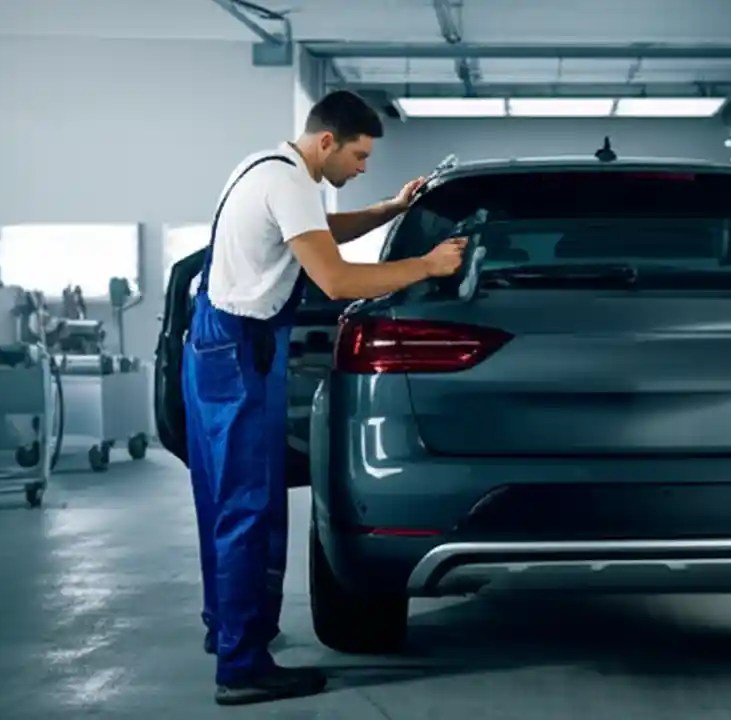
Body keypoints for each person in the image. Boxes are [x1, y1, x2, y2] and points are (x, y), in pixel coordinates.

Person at [182, 89, 466, 706]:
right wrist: (426, 267)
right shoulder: (289, 183)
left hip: (214, 343)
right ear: (327, 141)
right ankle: (241, 668)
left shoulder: (264, 167)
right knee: (247, 506)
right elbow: (335, 279)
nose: (362, 168)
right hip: (241, 350)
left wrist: (390, 209)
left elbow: (318, 232)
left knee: (223, 499)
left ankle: (228, 628)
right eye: (360, 157)